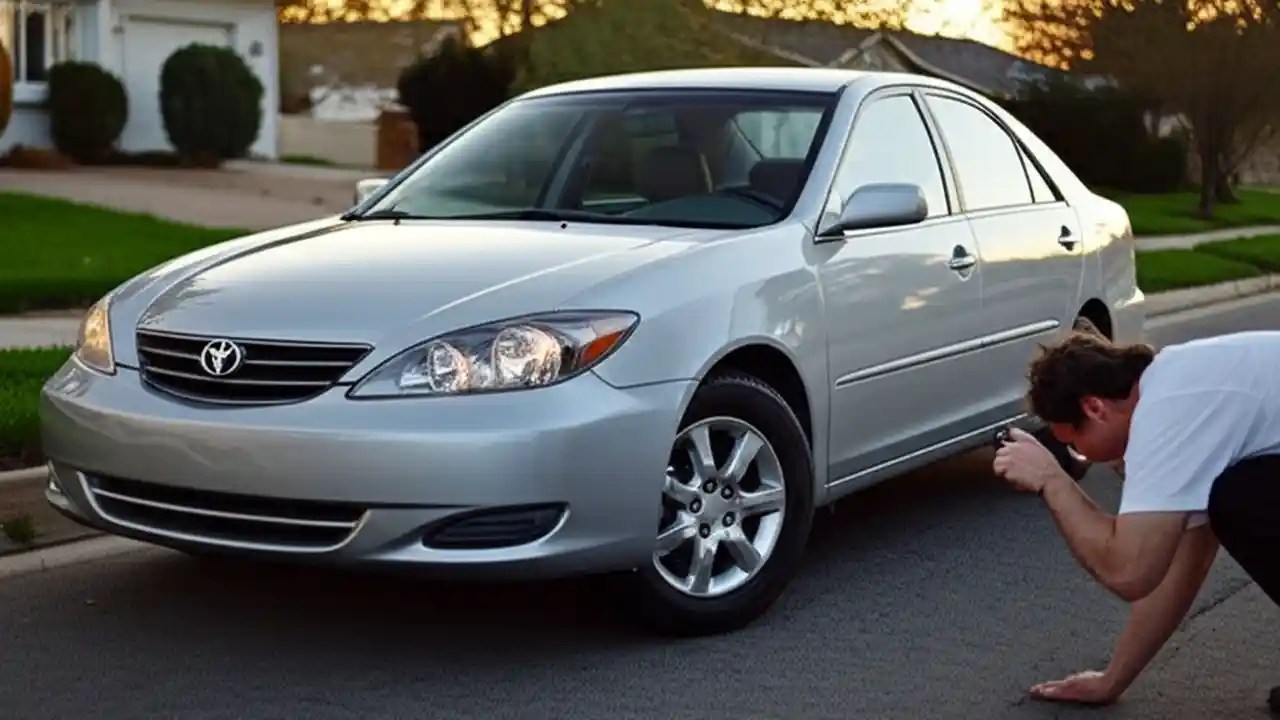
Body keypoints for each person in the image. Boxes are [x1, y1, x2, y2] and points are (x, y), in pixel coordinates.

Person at [992, 329, 1280, 710]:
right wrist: (1110, 681)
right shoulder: (1176, 387)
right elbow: (1182, 564)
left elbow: (1129, 571)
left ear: (1094, 408)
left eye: (1074, 445)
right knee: (1234, 497)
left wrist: (1051, 479)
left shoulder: (1166, 412)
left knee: (1239, 496)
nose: (1082, 456)